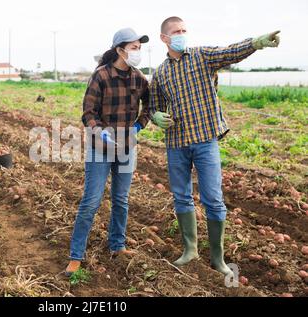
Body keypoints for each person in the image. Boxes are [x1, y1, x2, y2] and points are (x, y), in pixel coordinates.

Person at [150, 16, 280, 275]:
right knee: (182, 197)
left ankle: (217, 258)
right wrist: (156, 116)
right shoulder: (160, 72)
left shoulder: (202, 56)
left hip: (205, 140)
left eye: (184, 30)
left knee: (213, 199)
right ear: (164, 38)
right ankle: (190, 250)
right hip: (176, 142)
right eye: (176, 31)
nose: (182, 34)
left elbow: (230, 52)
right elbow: (154, 105)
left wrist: (256, 43)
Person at [65, 28, 152, 276]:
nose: (137, 52)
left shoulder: (138, 78)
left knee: (121, 200)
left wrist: (139, 124)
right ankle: (76, 255)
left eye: (139, 48)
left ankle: (117, 245)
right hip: (100, 149)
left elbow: (151, 104)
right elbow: (88, 111)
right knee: (91, 201)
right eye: (134, 47)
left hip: (126, 147)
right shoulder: (101, 76)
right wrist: (100, 130)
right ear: (119, 50)